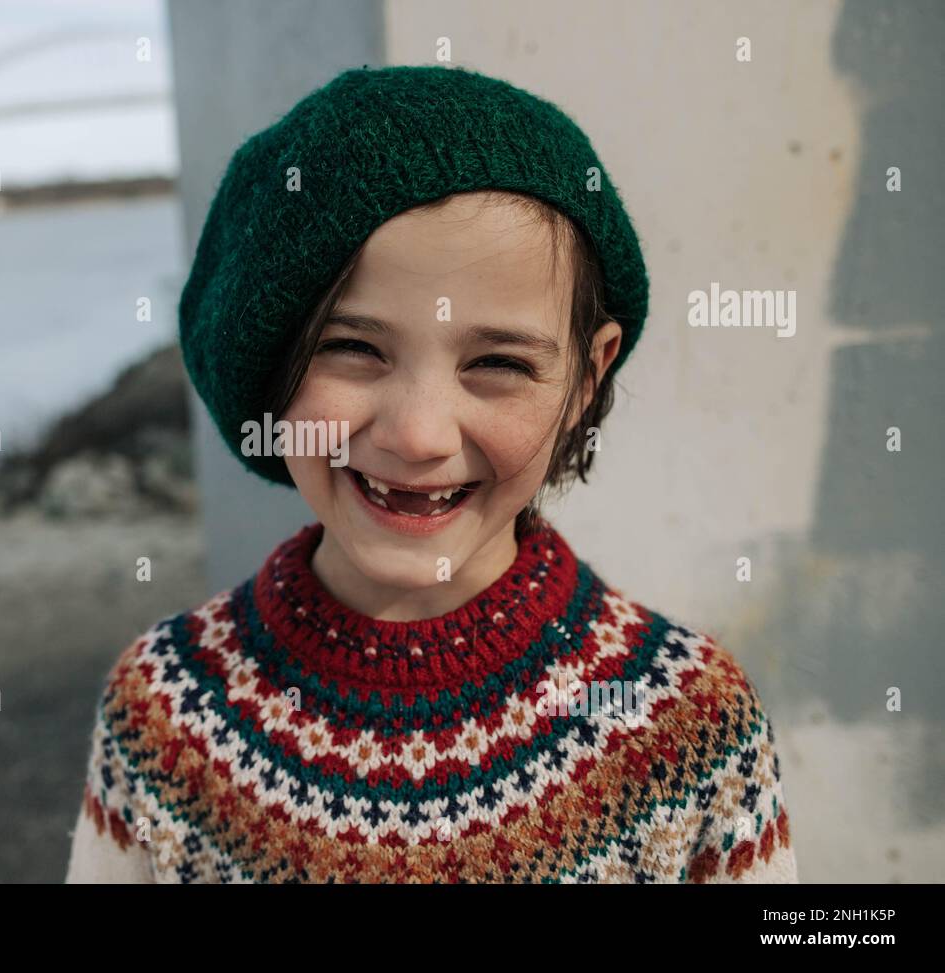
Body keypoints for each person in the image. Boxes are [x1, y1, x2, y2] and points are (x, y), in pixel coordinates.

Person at [65, 64, 798, 883]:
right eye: (353, 348)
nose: (418, 435)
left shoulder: (683, 722)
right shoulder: (166, 710)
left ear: (587, 380)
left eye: (497, 362)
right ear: (269, 364)